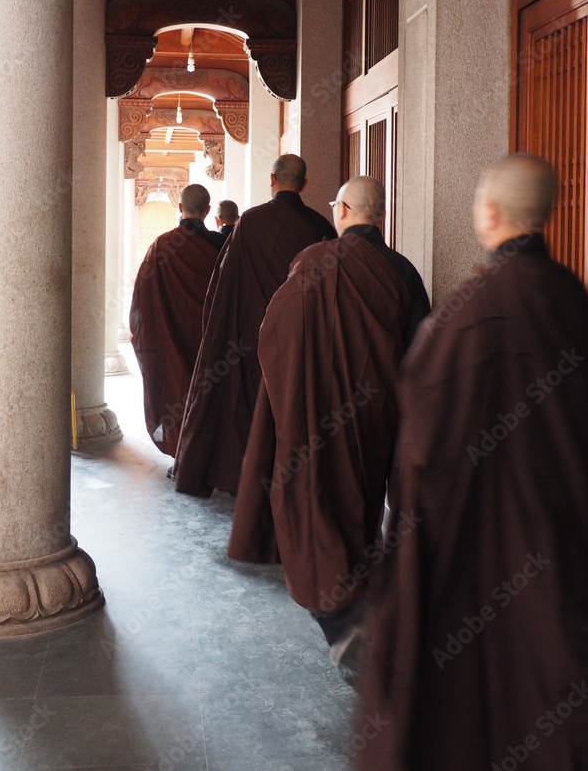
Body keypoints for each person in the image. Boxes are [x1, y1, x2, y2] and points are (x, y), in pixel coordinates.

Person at [357, 153, 588, 771]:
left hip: (473, 538)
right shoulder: (572, 299)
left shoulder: (469, 312)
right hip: (556, 526)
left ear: (490, 213)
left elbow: (424, 441)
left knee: (471, 680)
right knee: (560, 657)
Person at [228, 176, 430, 677]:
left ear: (342, 212)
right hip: (381, 417)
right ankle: (360, 605)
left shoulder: (312, 263)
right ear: (380, 216)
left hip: (317, 415)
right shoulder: (403, 272)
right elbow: (421, 356)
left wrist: (301, 387)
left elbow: (273, 334)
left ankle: (345, 616)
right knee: (364, 505)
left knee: (320, 504)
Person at [174, 153, 336, 498]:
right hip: (300, 336)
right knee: (292, 405)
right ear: (305, 184)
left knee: (247, 402)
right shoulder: (321, 227)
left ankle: (243, 472)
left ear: (272, 180)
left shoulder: (250, 221)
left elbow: (225, 282)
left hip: (248, 333)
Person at [129, 183, 223, 460]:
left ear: (180, 208)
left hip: (171, 339)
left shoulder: (162, 246)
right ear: (207, 211)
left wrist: (149, 335)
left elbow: (141, 300)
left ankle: (182, 454)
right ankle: (207, 458)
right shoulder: (220, 246)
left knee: (176, 389)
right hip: (210, 341)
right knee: (209, 394)